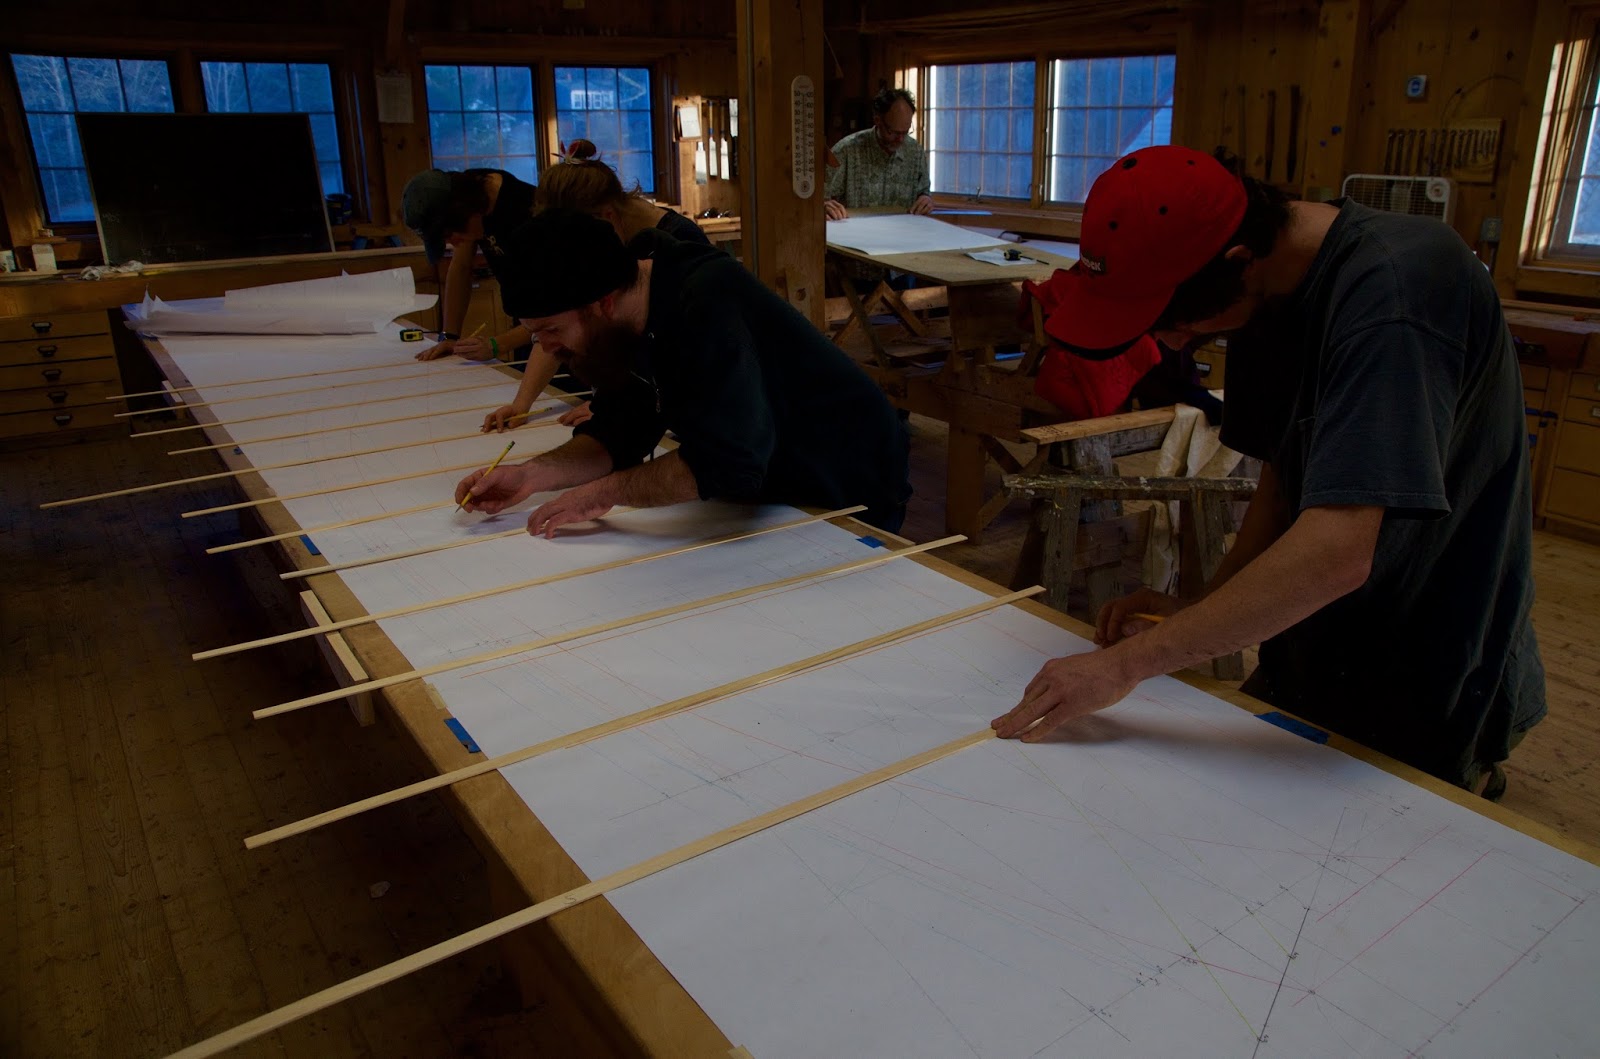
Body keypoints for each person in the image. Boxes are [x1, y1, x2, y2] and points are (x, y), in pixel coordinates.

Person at [990, 145, 1545, 797]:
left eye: (1172, 320)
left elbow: (1337, 550)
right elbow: (1286, 476)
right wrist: (1204, 604)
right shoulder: (1263, 294)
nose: (1168, 342)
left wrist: (1125, 665)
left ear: (1238, 262)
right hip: (1313, 636)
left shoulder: (1398, 290)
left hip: (1434, 653)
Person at [455, 208, 912, 537]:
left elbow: (727, 461)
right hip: (772, 480)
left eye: (551, 330)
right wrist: (533, 475)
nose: (547, 349)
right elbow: (618, 434)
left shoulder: (706, 305)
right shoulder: (624, 322)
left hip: (845, 481)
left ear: (602, 303)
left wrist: (599, 494)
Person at [480, 140, 715, 433]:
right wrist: (521, 405)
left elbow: (694, 361)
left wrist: (620, 406)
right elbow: (556, 323)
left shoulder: (681, 250)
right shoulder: (599, 241)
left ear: (606, 217)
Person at [401, 165, 537, 362]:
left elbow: (560, 311)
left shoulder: (527, 212)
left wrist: (498, 345)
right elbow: (461, 267)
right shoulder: (469, 196)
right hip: (529, 325)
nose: (452, 243)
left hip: (564, 334)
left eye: (449, 235)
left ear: (463, 212)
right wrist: (449, 336)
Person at [823, 87, 932, 221]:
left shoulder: (915, 152)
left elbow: (923, 191)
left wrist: (925, 199)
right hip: (855, 236)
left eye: (906, 132)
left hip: (902, 236)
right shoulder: (846, 151)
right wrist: (825, 206)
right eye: (894, 132)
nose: (900, 140)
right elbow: (821, 198)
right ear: (878, 120)